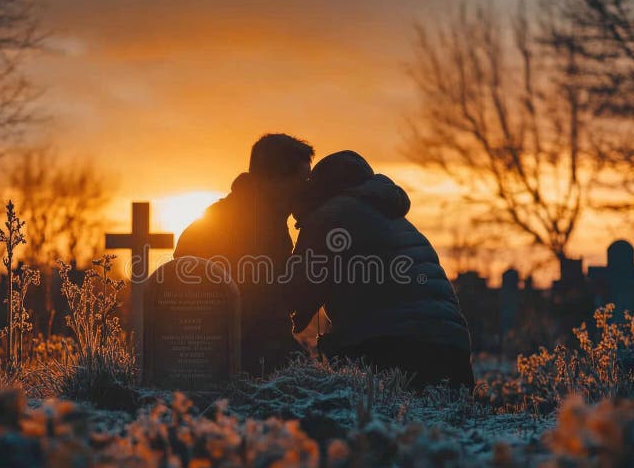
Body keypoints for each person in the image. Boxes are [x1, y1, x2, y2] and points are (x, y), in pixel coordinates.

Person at [288, 150, 474, 390]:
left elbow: (298, 289)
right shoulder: (394, 217)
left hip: (392, 347)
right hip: (454, 348)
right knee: (440, 423)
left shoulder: (329, 215)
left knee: (356, 417)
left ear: (319, 188)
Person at [174, 133, 314, 376]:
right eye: (301, 181)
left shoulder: (255, 216)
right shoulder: (252, 226)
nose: (305, 190)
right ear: (276, 181)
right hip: (231, 354)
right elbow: (259, 314)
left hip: (224, 349)